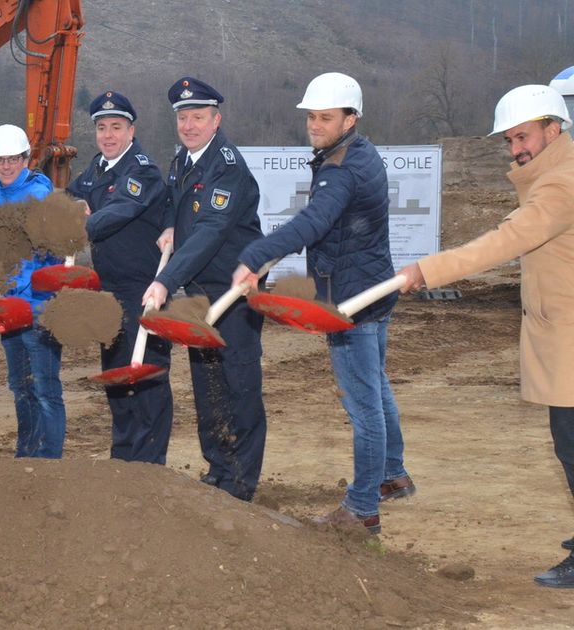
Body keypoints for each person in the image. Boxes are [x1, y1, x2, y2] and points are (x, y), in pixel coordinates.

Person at [398, 84, 574, 588]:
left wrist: (428, 270)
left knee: (572, 446)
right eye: (510, 141)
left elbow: (506, 241)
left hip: (570, 339)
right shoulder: (556, 175)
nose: (516, 148)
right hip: (561, 333)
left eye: (523, 136)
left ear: (553, 128)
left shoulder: (561, 184)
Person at [232, 72, 410, 534]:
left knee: (363, 404)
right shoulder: (359, 153)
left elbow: (312, 223)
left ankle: (362, 507)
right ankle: (393, 474)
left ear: (351, 118)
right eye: (311, 116)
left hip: (351, 302)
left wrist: (256, 255)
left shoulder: (342, 169)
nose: (315, 124)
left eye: (325, 117)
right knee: (378, 386)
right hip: (373, 288)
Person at [140, 77, 267, 500]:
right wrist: (169, 224)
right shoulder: (182, 162)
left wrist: (165, 279)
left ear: (217, 120)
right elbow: (179, 209)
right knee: (206, 382)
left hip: (234, 292)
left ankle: (241, 480)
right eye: (183, 117)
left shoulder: (227, 166)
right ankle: (218, 468)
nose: (189, 125)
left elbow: (212, 230)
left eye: (198, 117)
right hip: (198, 290)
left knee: (238, 383)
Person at [66, 91, 171, 464]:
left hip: (145, 289)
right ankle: (123, 460)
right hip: (108, 290)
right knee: (115, 373)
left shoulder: (141, 169)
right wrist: (75, 205)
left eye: (116, 127)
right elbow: (71, 195)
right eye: (101, 128)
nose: (108, 135)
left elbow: (119, 210)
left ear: (131, 130)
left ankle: (149, 464)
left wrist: (82, 222)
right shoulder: (97, 168)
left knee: (144, 376)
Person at [0, 123, 67, 458]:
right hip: (9, 308)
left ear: (25, 160)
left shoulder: (42, 196)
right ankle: (27, 452)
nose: (5, 166)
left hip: (40, 307)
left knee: (46, 388)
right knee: (21, 386)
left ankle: (50, 459)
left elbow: (56, 252)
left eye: (12, 159)